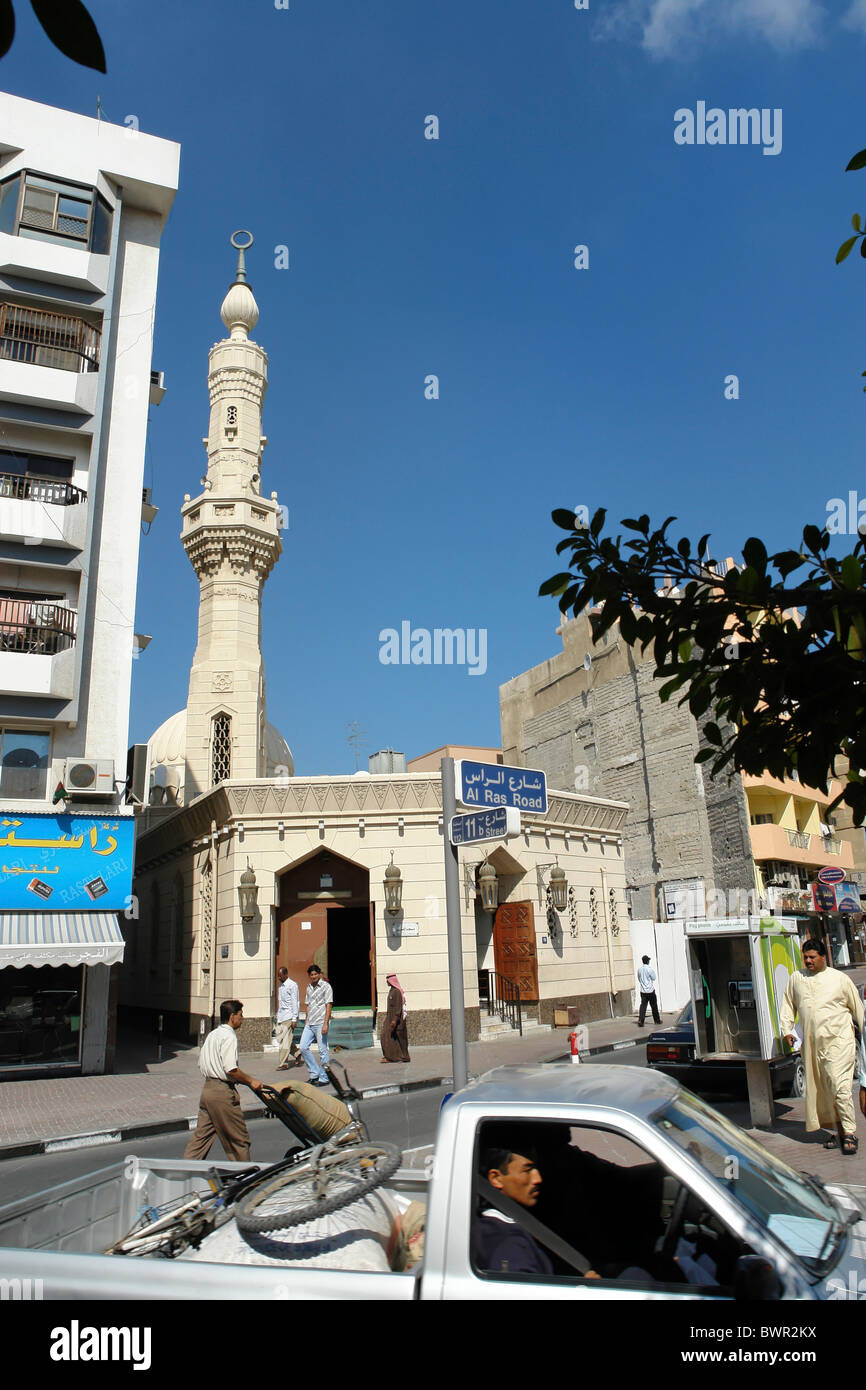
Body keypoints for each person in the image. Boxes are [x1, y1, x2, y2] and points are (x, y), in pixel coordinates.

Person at [781, 938, 864, 1155]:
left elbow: (858, 1010)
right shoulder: (797, 978)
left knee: (840, 1087)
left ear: (823, 957)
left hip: (839, 1042)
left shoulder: (840, 979)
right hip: (811, 1045)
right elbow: (788, 1005)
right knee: (824, 1091)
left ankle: (849, 1133)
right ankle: (839, 1132)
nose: (808, 961)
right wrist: (787, 1031)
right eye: (805, 957)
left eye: (812, 957)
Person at [184, 1000, 263, 1162]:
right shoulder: (229, 1037)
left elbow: (201, 1063)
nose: (243, 1018)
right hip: (222, 1093)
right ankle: (245, 1176)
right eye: (240, 1015)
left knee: (201, 1138)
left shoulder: (212, 1035)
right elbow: (231, 1069)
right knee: (239, 1140)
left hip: (207, 1091)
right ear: (232, 1016)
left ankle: (185, 1173)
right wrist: (251, 1081)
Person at [300, 963, 333, 1087]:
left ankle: (324, 1077)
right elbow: (307, 1004)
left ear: (319, 974)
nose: (313, 976)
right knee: (303, 1047)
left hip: (320, 1022)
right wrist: (306, 1021)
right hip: (310, 1022)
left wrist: (325, 1023)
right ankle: (314, 1073)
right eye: (311, 975)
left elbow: (328, 1005)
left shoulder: (326, 987)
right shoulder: (309, 987)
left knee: (322, 1050)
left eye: (315, 974)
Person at [380, 972, 410, 1063]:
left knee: (400, 1039)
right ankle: (390, 1057)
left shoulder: (396, 991)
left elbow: (398, 1007)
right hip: (389, 1018)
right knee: (385, 1036)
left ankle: (403, 1057)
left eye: (388, 980)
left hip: (396, 1020)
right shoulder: (392, 991)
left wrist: (394, 1020)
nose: (387, 982)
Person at [275, 966, 300, 1071]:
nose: (279, 978)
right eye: (278, 976)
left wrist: (294, 1019)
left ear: (286, 974)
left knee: (284, 1041)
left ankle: (283, 1064)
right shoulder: (280, 986)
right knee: (283, 1038)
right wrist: (278, 1017)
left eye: (280, 976)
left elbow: (295, 1002)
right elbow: (281, 1003)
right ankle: (297, 1053)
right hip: (282, 1016)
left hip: (289, 1016)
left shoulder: (292, 985)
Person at [636, 955, 661, 1027]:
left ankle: (641, 1020)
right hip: (650, 990)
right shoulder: (650, 969)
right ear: (647, 961)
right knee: (654, 1006)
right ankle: (657, 1020)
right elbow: (654, 978)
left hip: (643, 991)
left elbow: (639, 978)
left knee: (643, 1006)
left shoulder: (639, 970)